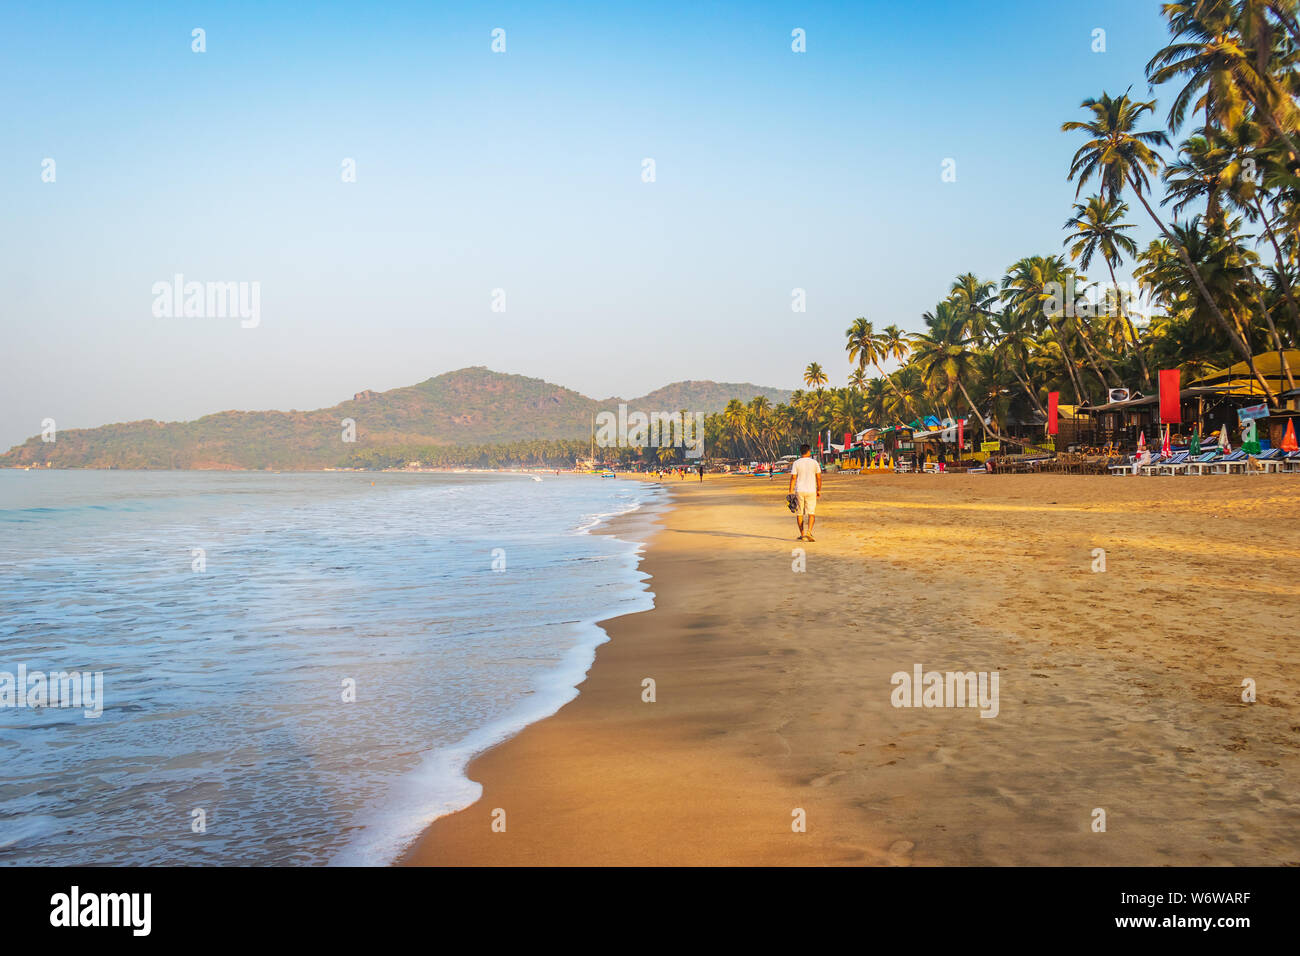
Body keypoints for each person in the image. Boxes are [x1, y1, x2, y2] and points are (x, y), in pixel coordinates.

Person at [788, 443, 822, 541]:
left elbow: (793, 477)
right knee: (811, 513)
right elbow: (818, 478)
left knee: (799, 513)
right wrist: (819, 489)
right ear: (809, 451)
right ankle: (809, 532)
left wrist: (790, 491)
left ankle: (802, 534)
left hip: (799, 490)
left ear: (801, 452)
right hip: (811, 490)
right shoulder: (814, 463)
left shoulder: (796, 463)